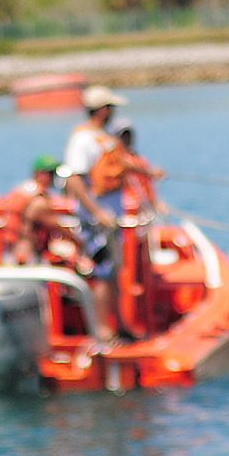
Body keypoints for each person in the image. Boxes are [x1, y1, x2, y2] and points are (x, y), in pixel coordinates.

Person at [58, 84, 129, 342]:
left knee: (113, 272)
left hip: (112, 216)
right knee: (101, 273)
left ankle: (120, 324)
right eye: (110, 107)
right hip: (96, 219)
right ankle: (103, 331)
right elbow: (74, 179)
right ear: (101, 109)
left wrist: (148, 171)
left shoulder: (103, 136)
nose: (114, 111)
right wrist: (97, 211)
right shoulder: (82, 140)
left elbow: (121, 162)